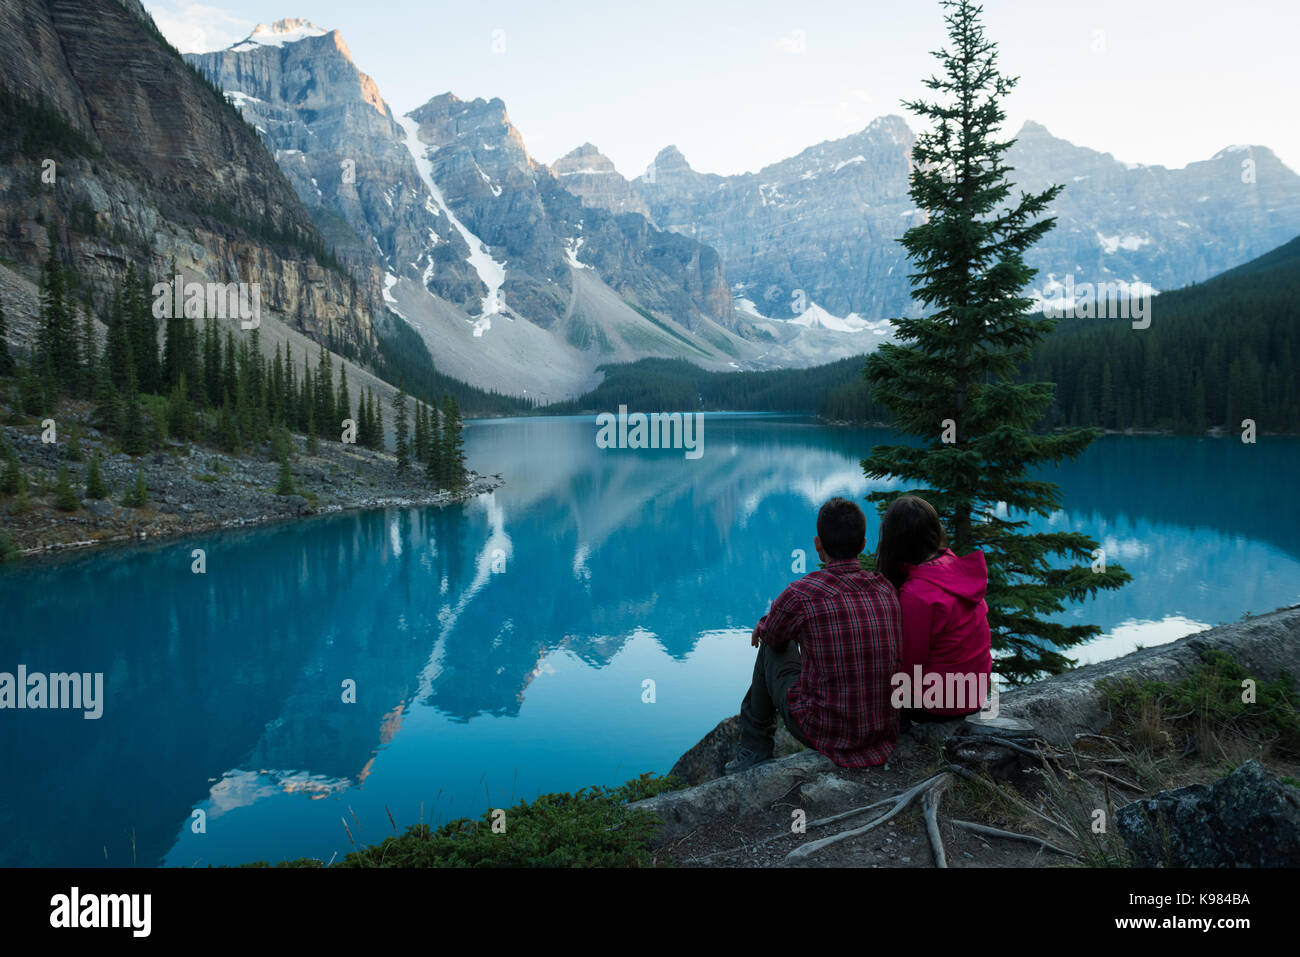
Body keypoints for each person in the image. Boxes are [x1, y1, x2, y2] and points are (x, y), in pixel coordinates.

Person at [727, 497, 902, 774]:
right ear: (863, 544)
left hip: (827, 732)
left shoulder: (801, 594)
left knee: (771, 646)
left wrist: (763, 625)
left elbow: (773, 636)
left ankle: (754, 749)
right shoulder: (885, 588)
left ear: (818, 545)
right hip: (881, 732)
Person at [874, 495, 992, 724]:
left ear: (894, 542)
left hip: (941, 705)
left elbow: (907, 668)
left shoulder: (917, 596)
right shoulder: (955, 569)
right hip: (975, 694)